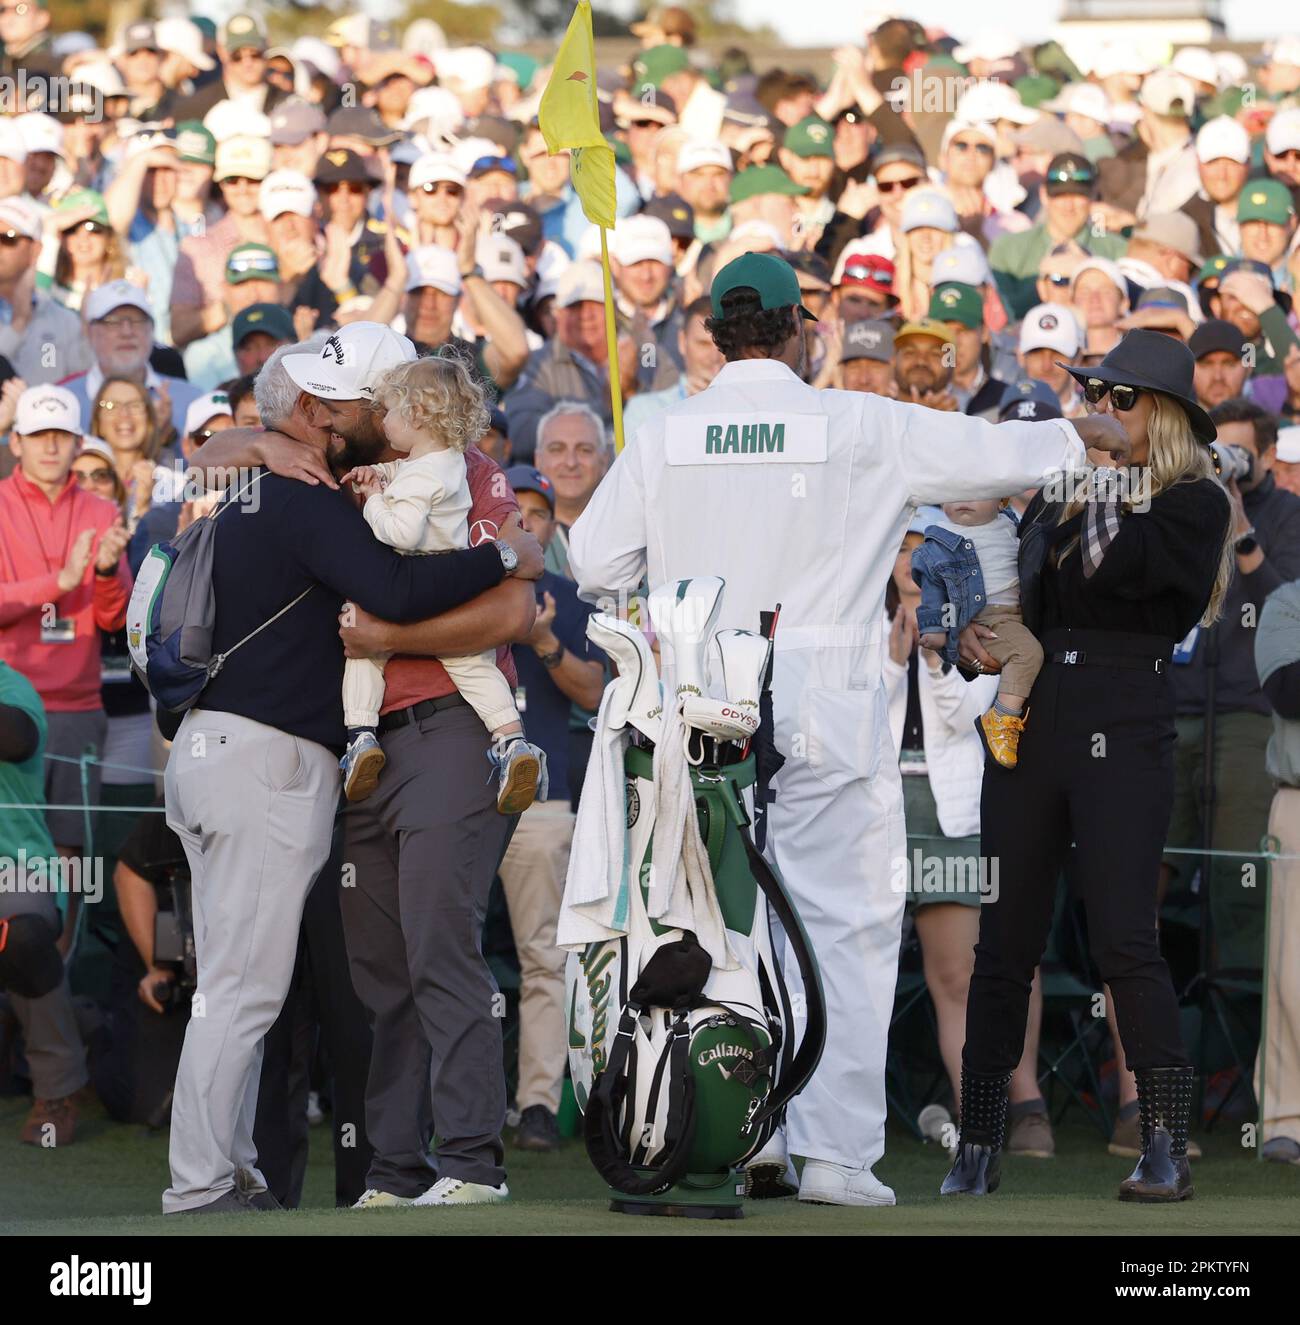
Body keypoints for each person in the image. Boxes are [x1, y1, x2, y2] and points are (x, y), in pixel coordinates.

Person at [569, 251, 1131, 1207]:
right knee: (845, 921)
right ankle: (832, 1155)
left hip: (703, 695)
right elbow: (994, 451)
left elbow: (591, 561)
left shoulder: (666, 432)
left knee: (723, 920)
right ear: (802, 331)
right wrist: (1087, 431)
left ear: (713, 334)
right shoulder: (859, 421)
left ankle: (746, 1137)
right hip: (824, 689)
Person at [159, 325, 543, 1215]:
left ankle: (249, 1168)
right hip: (276, 754)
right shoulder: (308, 489)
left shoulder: (286, 478)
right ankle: (209, 1181)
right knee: (251, 984)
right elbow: (398, 592)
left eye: (376, 402)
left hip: (268, 747)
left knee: (256, 977)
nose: (366, 419)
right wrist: (500, 556)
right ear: (325, 421)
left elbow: (509, 610)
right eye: (353, 407)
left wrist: (244, 440)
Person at [941, 331, 1235, 1203]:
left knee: (1124, 940)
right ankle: (980, 1138)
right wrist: (976, 632)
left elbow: (1113, 563)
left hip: (1128, 714)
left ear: (1168, 414)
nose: (1102, 410)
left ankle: (1165, 1142)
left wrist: (1093, 464)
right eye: (1097, 395)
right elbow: (1025, 599)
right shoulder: (1058, 497)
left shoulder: (1197, 501)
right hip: (1034, 721)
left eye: (1121, 397)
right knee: (1004, 945)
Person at [335, 353, 546, 812]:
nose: (384, 420)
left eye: (390, 410)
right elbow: (407, 473)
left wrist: (372, 500)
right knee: (475, 668)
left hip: (415, 575)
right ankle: (512, 742)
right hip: (456, 583)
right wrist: (383, 474)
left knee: (365, 657)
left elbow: (401, 531)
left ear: (416, 413)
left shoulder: (421, 477)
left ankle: (361, 736)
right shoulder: (448, 460)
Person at [496, 464, 606, 1150]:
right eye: (515, 511)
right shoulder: (454, 585)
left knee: (544, 956)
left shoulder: (567, 596)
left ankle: (538, 1100)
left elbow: (595, 692)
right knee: (437, 952)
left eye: (537, 512)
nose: (527, 521)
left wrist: (545, 641)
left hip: (541, 798)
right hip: (460, 791)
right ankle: (447, 1104)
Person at [0, 385, 131, 866]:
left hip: (77, 704)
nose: (50, 446)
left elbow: (114, 617)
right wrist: (59, 582)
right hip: (9, 706)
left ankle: (62, 945)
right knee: (7, 846)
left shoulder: (101, 509)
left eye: (60, 435)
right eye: (38, 436)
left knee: (71, 850)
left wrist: (102, 573)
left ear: (79, 444)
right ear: (16, 442)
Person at [0, 658, 90, 1147]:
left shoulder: (12, 686)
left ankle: (57, 1090)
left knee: (24, 939)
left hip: (13, 870)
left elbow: (16, 739)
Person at [913, 497, 1044, 768]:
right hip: (984, 618)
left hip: (1017, 613)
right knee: (1028, 653)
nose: (964, 501)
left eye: (977, 493)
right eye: (954, 493)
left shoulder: (1010, 524)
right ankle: (1002, 716)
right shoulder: (941, 537)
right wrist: (936, 628)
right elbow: (932, 588)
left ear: (1002, 501)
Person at [1254, 576, 1300, 1164]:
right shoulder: (1288, 602)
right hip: (1298, 800)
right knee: (1292, 970)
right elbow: (1288, 691)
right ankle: (1285, 1120)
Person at [0, 197, 92, 387]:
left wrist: (89, 332)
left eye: (7, 238)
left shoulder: (64, 321)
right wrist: (17, 326)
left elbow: (82, 385)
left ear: (35, 250)